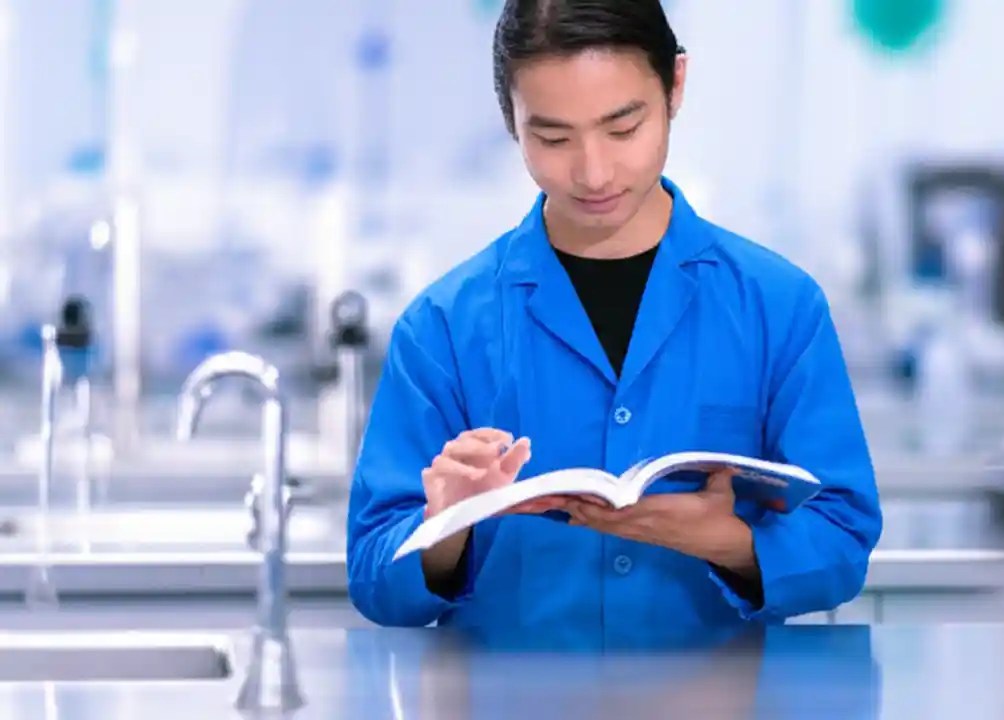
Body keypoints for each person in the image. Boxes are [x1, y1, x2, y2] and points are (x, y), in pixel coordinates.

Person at [345, 0, 882, 633]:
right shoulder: (441, 327)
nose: (593, 172)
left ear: (675, 85)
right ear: (510, 120)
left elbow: (843, 542)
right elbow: (375, 578)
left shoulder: (779, 306)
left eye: (623, 129)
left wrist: (729, 541)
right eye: (552, 137)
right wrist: (444, 527)